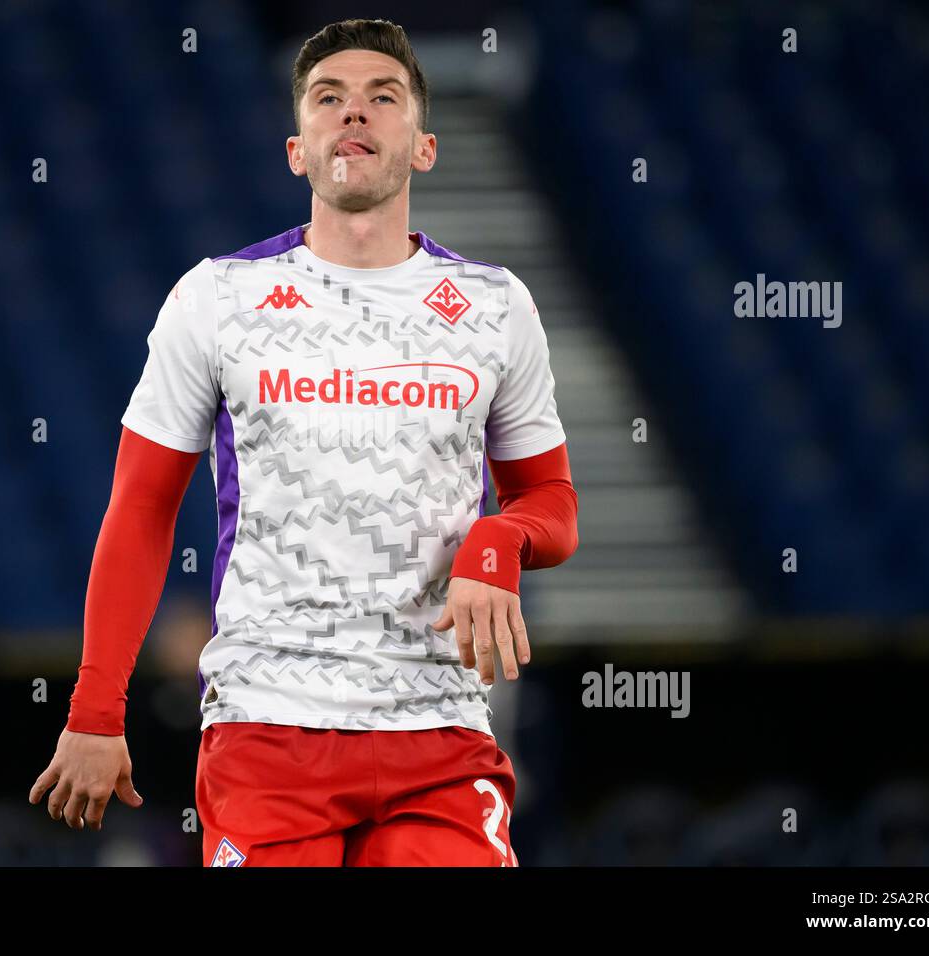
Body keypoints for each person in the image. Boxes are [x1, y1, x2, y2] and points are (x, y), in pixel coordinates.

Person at [30, 17, 579, 866]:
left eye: (381, 98)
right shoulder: (218, 300)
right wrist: (95, 711)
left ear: (425, 147)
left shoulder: (496, 307)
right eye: (329, 98)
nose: (353, 114)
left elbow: (552, 504)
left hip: (438, 728)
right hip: (268, 726)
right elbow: (141, 508)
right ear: (296, 148)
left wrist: (497, 539)